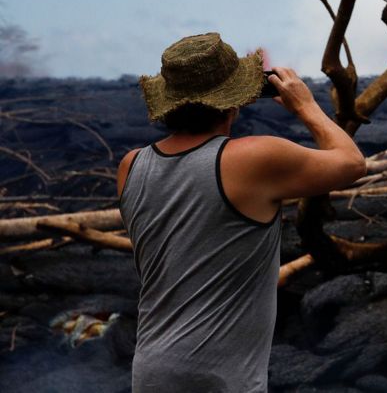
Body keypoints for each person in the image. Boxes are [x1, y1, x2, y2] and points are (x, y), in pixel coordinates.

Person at [117, 32, 366, 392]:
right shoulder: (252, 158)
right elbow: (352, 163)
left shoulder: (131, 165)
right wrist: (306, 106)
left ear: (169, 102)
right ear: (235, 101)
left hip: (151, 368)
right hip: (220, 376)